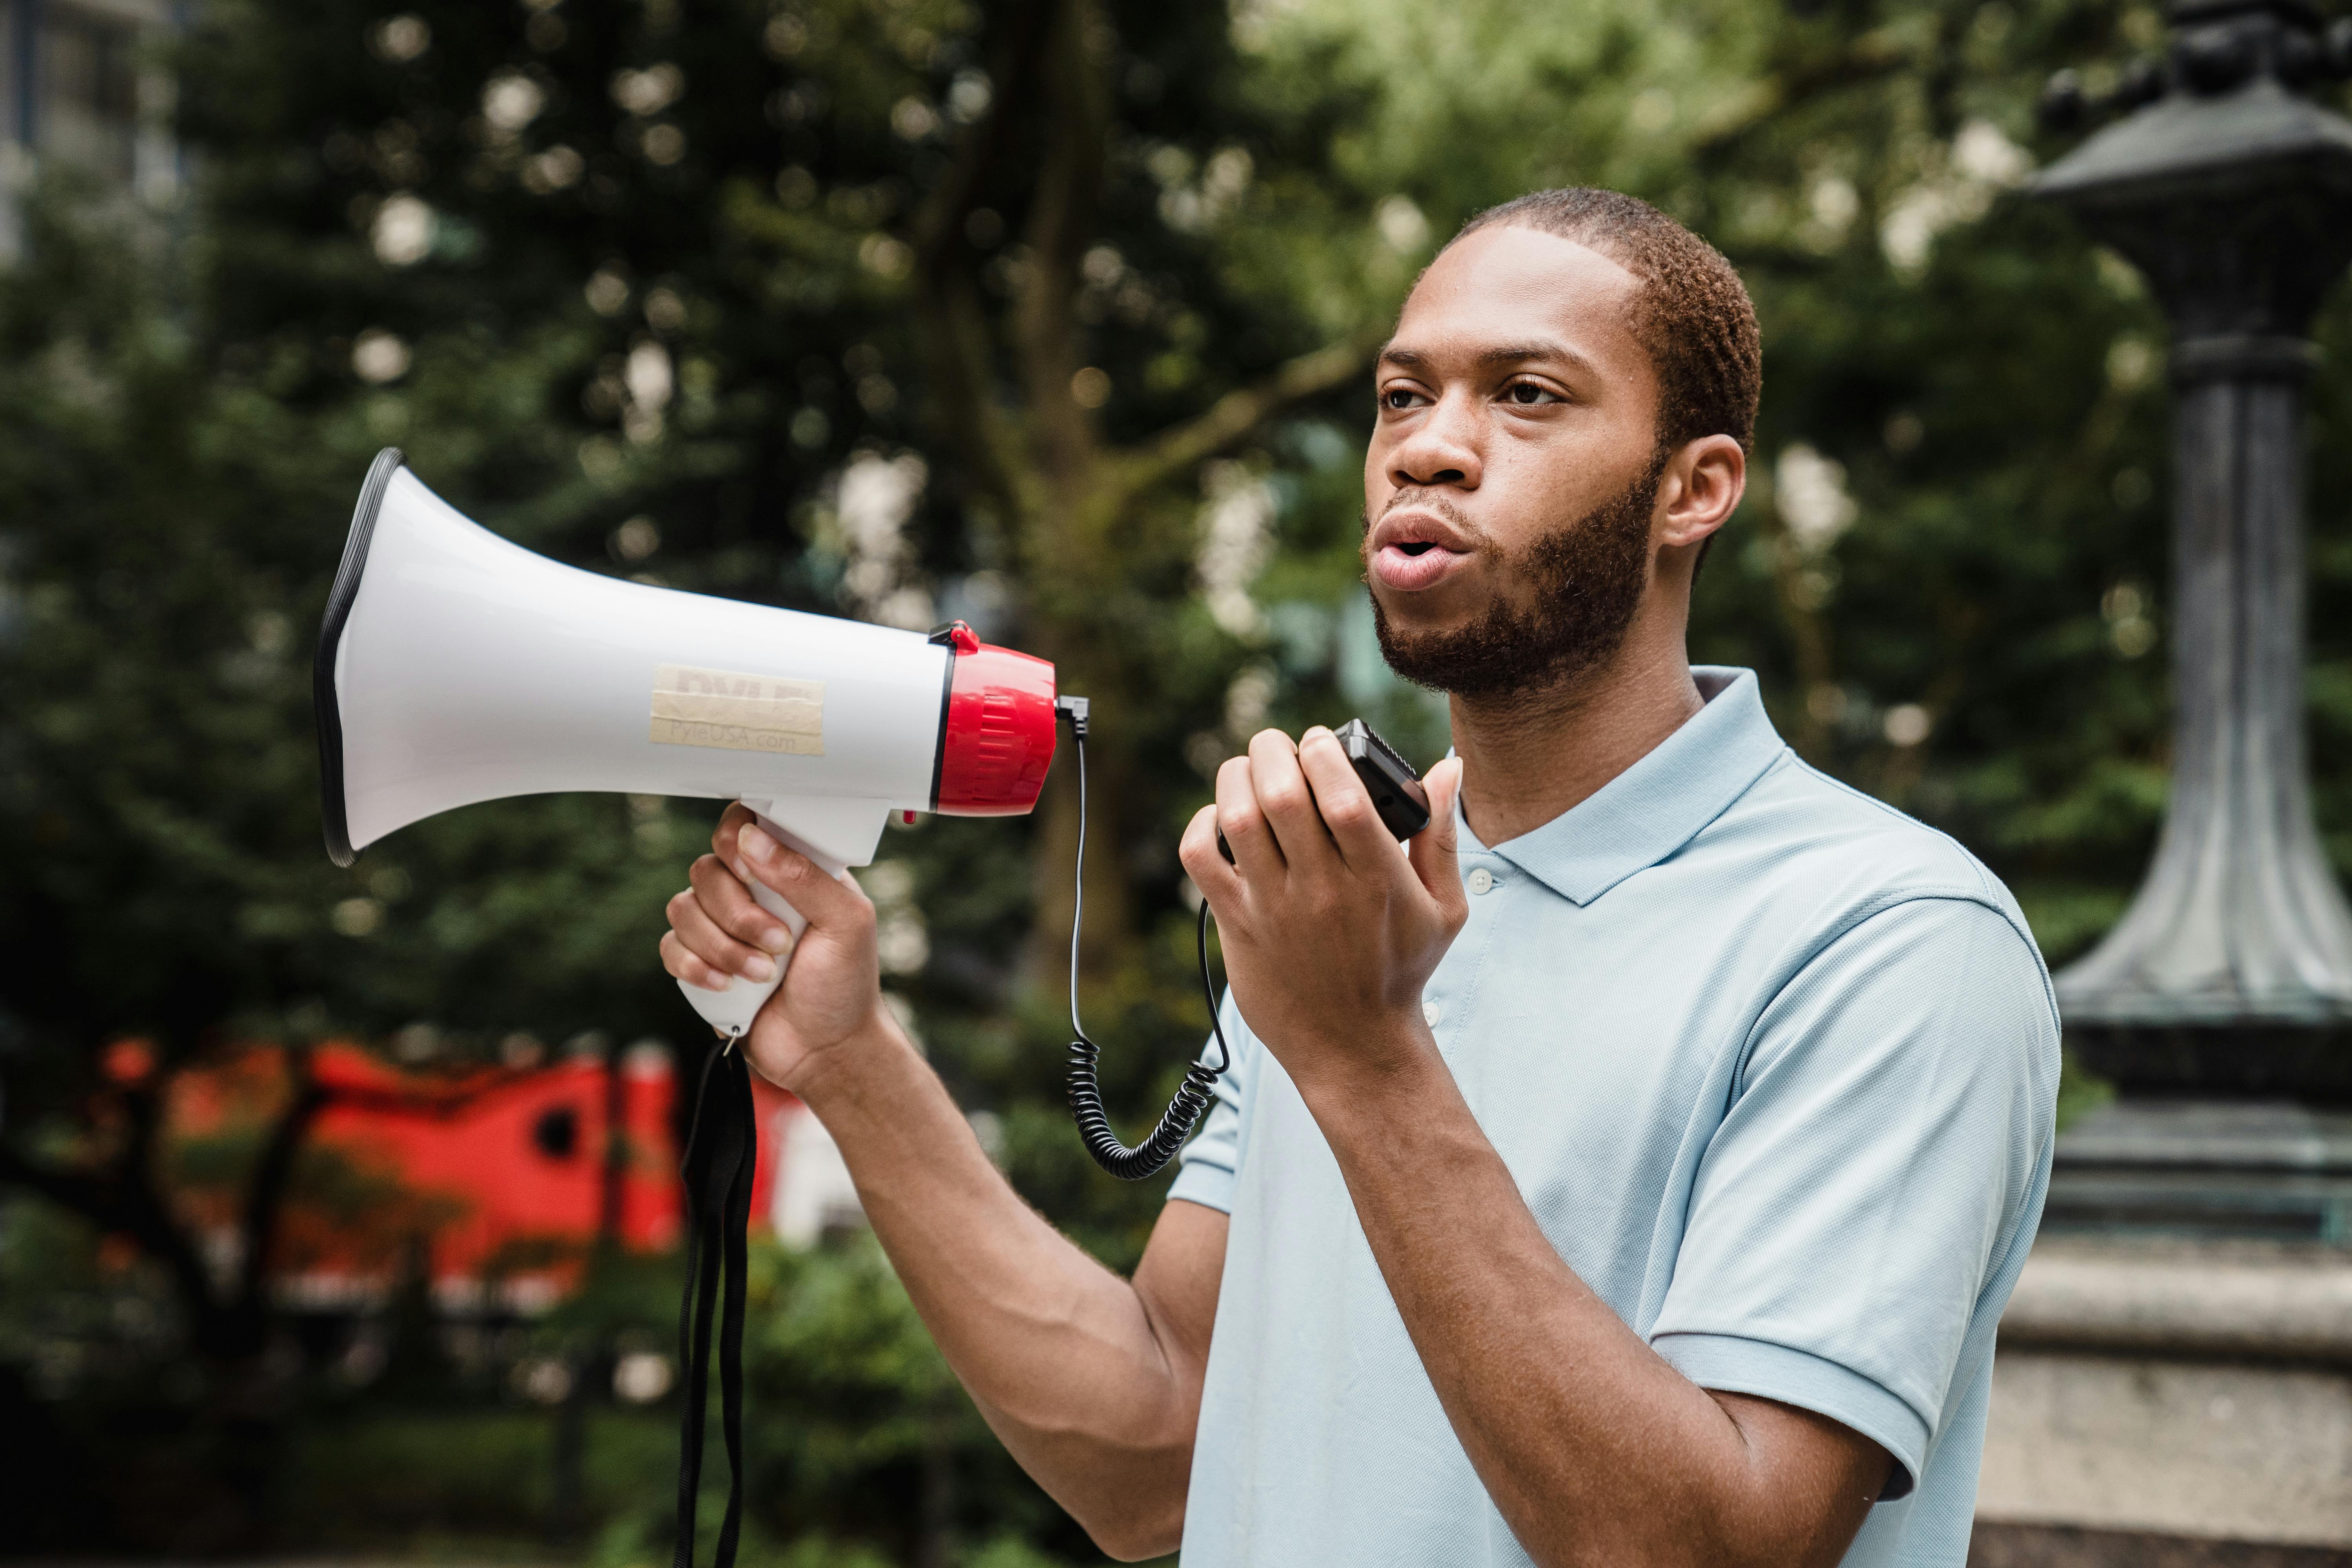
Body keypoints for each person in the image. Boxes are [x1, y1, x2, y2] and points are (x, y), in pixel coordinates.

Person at [659, 187, 2059, 1568]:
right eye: (1402, 397)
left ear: (1691, 491)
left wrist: (1363, 1053)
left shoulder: (1892, 942)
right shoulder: (1353, 905)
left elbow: (1713, 1553)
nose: (1430, 449)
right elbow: (1151, 1452)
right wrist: (852, 1062)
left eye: (1526, 395)